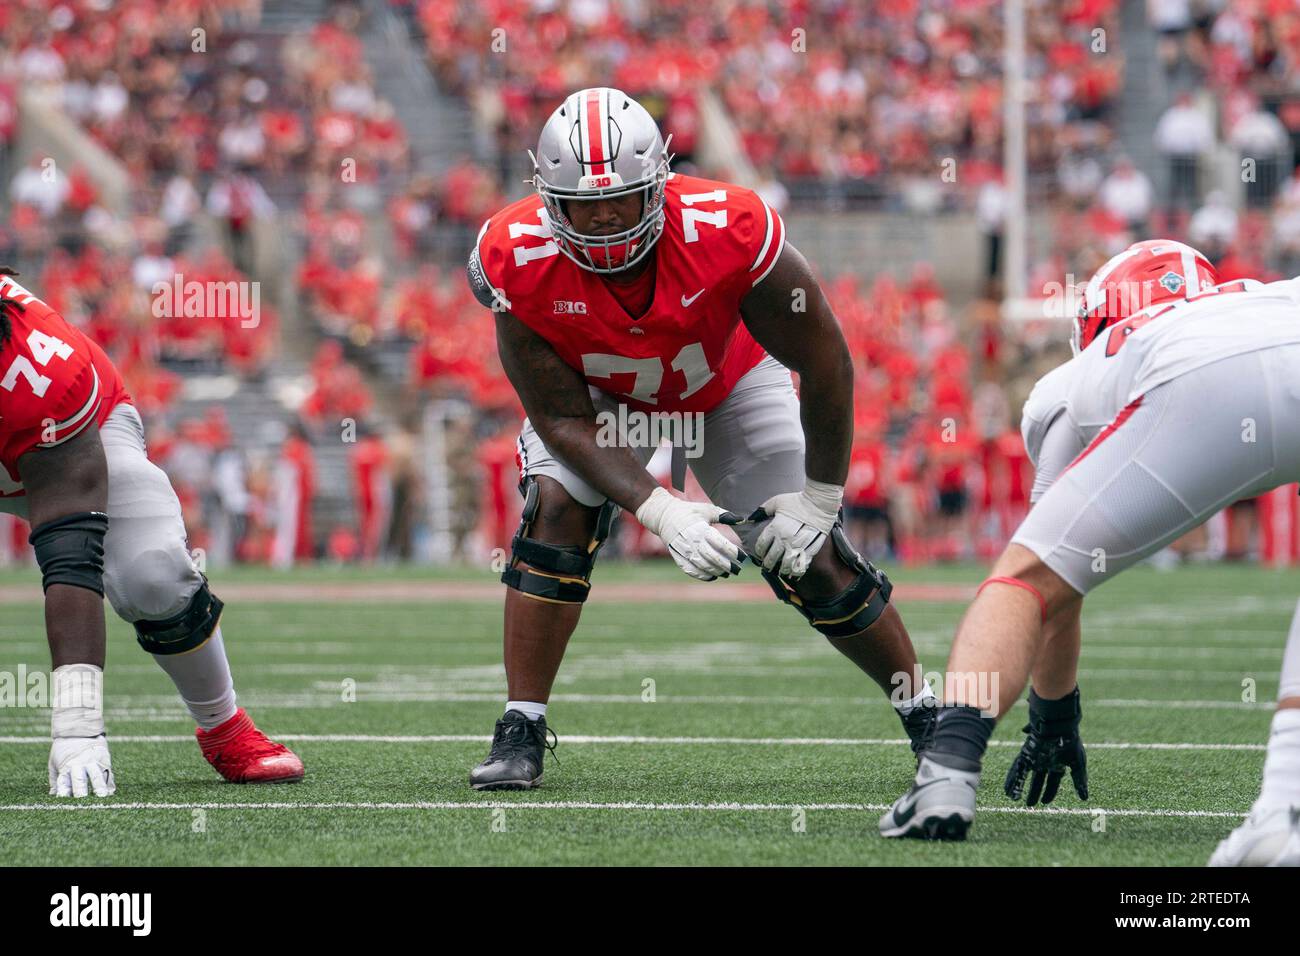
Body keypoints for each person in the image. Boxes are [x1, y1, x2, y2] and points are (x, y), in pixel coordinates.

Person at [463, 87, 936, 791]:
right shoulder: (513, 253)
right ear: (545, 199)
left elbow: (826, 359)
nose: (603, 220)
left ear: (661, 182)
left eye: (621, 197)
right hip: (599, 404)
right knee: (555, 510)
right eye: (582, 204)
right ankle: (521, 724)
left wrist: (820, 500)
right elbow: (564, 421)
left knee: (810, 558)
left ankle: (928, 717)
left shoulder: (730, 227)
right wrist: (661, 510)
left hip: (725, 387)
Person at [879, 240, 1300, 865]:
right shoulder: (1267, 294)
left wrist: (1052, 718)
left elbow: (1054, 589)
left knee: (1021, 582)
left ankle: (945, 774)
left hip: (1188, 379)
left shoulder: (1084, 372)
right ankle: (1286, 804)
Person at [0, 268, 302, 797]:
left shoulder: (38, 369)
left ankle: (224, 725)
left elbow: (71, 550)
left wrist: (77, 722)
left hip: (67, 439)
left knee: (150, 573)